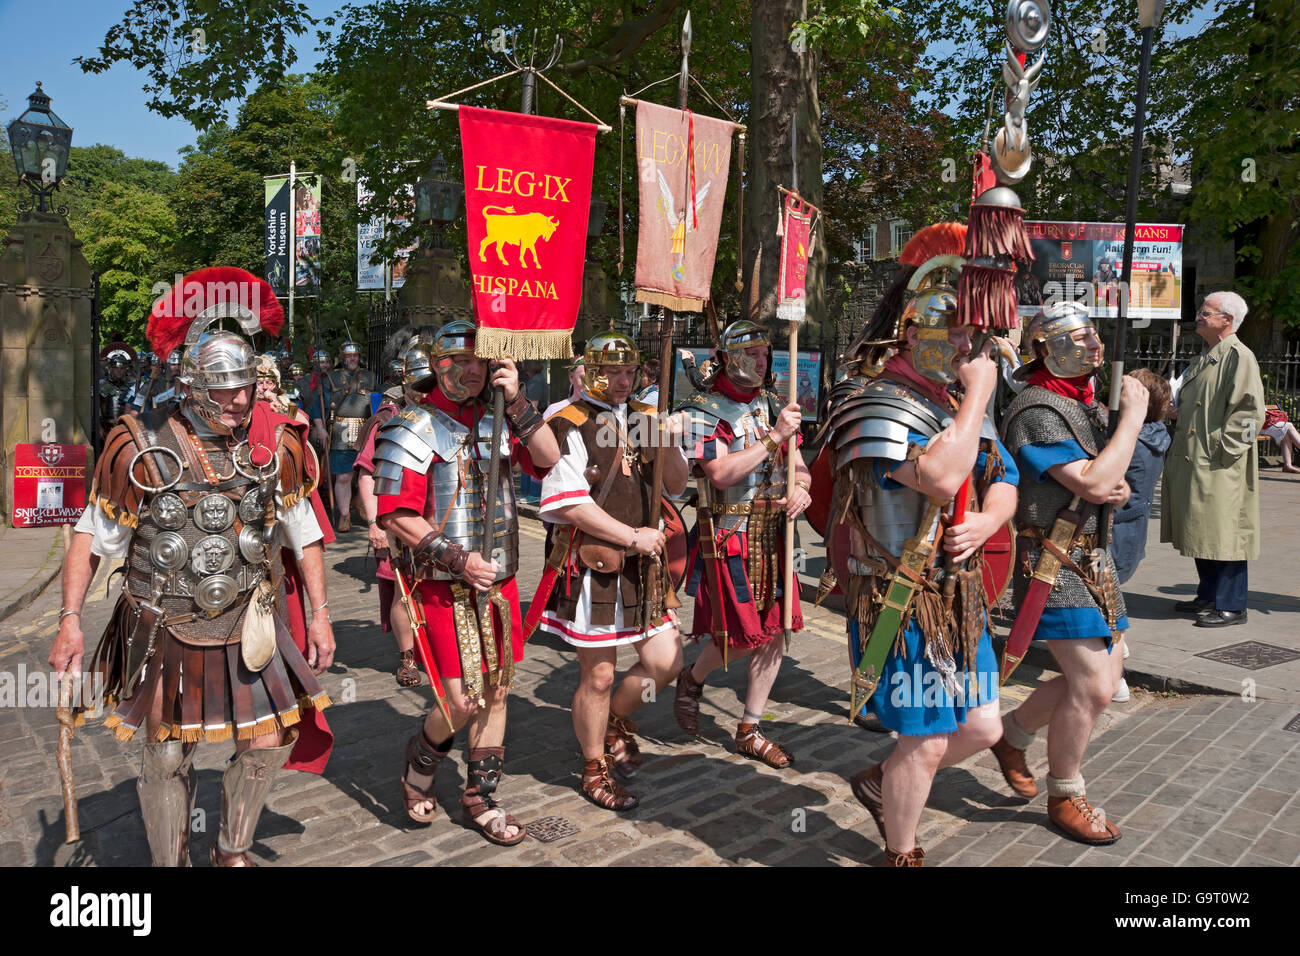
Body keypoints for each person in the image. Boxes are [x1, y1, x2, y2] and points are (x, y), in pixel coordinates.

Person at [49, 267, 335, 867]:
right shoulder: (139, 446)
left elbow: (303, 534)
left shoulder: (275, 445)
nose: (240, 401)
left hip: (249, 623)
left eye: (246, 388)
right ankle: (170, 862)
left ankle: (230, 851)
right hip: (162, 624)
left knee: (265, 744)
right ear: (192, 385)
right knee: (166, 757)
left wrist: (321, 615)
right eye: (225, 389)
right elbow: (91, 537)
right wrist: (70, 620)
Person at [827, 222, 1019, 866]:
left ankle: (883, 783)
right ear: (913, 329)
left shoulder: (951, 406)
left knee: (985, 726)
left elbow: (1003, 480)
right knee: (926, 740)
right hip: (900, 602)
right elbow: (939, 477)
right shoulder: (875, 402)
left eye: (973, 336)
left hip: (957, 597)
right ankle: (901, 852)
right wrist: (978, 399)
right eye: (955, 333)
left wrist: (990, 522)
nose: (968, 348)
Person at [375, 319, 559, 845]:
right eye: (462, 362)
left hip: (497, 582)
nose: (473, 371)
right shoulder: (412, 424)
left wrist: (519, 401)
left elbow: (548, 459)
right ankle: (421, 758)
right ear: (439, 365)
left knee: (497, 692)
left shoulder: (500, 416)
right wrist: (456, 558)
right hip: (441, 584)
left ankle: (480, 797)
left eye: (482, 362)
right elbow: (396, 514)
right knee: (462, 701)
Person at [991, 300, 1146, 846]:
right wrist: (1131, 419)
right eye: (1080, 340)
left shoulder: (1081, 404)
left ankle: (1011, 736)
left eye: (1095, 338)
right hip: (1054, 565)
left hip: (1093, 560)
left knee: (1101, 678)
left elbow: (1102, 481)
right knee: (1095, 686)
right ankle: (1066, 792)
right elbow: (1095, 482)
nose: (1095, 348)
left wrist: (1115, 486)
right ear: (1045, 349)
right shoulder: (1037, 409)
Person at [535, 330, 688, 811]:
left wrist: (673, 441)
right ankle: (593, 765)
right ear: (591, 372)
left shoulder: (645, 418)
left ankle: (619, 718)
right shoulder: (567, 421)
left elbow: (678, 485)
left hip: (644, 567)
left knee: (666, 663)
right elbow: (570, 504)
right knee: (599, 675)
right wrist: (631, 536)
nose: (622, 382)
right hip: (596, 564)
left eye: (629, 372)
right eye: (611, 372)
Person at [672, 320, 811, 768]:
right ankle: (692, 678)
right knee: (737, 635)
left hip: (776, 532)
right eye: (751, 354)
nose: (761, 361)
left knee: (775, 633)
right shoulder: (701, 409)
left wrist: (802, 488)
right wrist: (775, 437)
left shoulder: (774, 404)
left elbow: (800, 468)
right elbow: (719, 473)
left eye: (765, 354)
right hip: (731, 534)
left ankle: (750, 728)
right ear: (730, 358)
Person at [1160, 291, 1265, 628]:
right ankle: (1208, 595)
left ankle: (1232, 605)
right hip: (1196, 460)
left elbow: (1250, 414)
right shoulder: (1207, 355)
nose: (1199, 316)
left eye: (1207, 312)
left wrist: (1223, 449)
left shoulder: (1238, 356)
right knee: (1202, 531)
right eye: (1201, 310)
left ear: (1227, 320)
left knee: (1227, 533)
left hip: (1220, 463)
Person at [355, 335, 422, 686]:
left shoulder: (446, 416)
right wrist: (373, 522)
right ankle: (407, 658)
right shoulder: (386, 419)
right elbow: (367, 473)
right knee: (402, 589)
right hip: (394, 519)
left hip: (436, 517)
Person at [312, 340, 379, 531]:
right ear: (343, 358)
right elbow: (318, 406)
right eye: (349, 356)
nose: (352, 359)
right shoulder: (331, 378)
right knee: (343, 477)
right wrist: (321, 428)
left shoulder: (370, 377)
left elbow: (380, 402)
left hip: (366, 428)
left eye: (355, 355)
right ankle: (344, 515)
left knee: (369, 473)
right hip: (341, 429)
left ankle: (361, 503)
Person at [97, 343, 137, 446]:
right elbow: (95, 408)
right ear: (110, 368)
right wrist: (99, 427)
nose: (119, 371)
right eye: (116, 368)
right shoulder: (101, 385)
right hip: (106, 427)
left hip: (125, 428)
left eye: (122, 368)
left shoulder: (132, 385)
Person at [1262, 405, 1300, 474]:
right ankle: (1287, 466)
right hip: (1256, 424)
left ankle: (1288, 466)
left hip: (1261, 423)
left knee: (1285, 431)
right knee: (1288, 426)